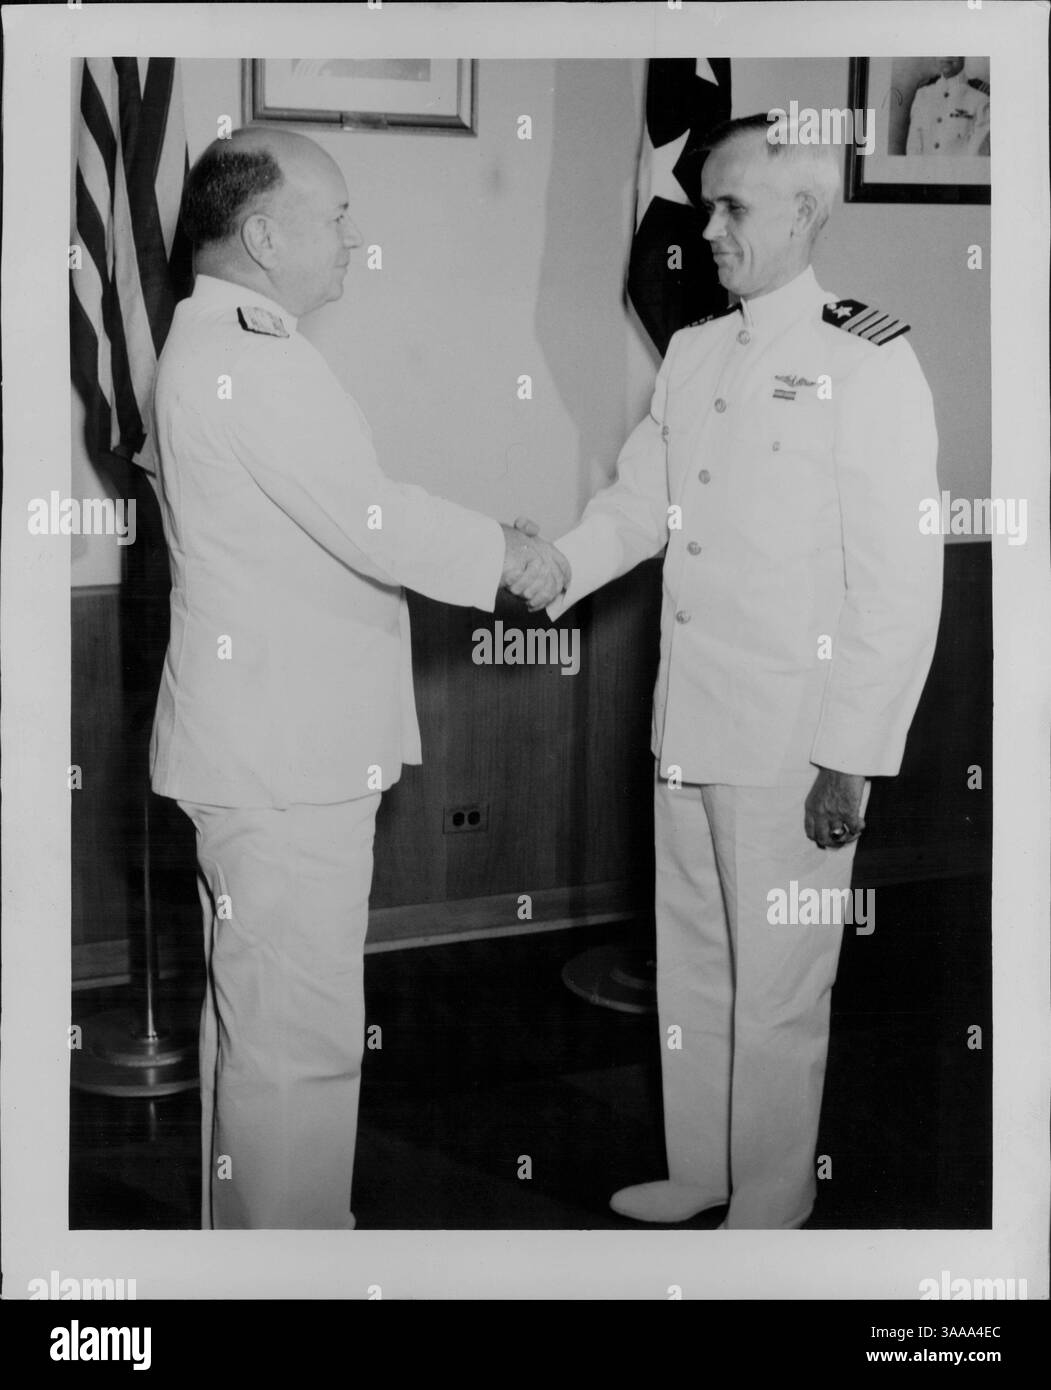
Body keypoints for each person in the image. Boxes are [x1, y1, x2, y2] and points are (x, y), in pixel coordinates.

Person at [521, 113, 943, 1229]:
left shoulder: (867, 358)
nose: (705, 228)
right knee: (696, 961)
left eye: (731, 207)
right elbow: (639, 508)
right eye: (705, 203)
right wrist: (552, 565)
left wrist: (848, 757)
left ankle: (769, 1197)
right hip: (689, 727)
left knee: (783, 985)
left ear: (803, 212)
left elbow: (899, 583)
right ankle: (701, 1167)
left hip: (794, 741)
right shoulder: (699, 351)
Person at [149, 126, 567, 1229]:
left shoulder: (219, 342)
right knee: (297, 1048)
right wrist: (506, 553)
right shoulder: (252, 350)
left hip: (265, 749)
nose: (350, 239)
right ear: (263, 233)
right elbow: (370, 520)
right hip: (288, 761)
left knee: (257, 1035)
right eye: (334, 217)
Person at [906, 58, 990, 156]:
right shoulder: (922, 95)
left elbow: (977, 157)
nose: (946, 56)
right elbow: (913, 148)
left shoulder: (981, 100)